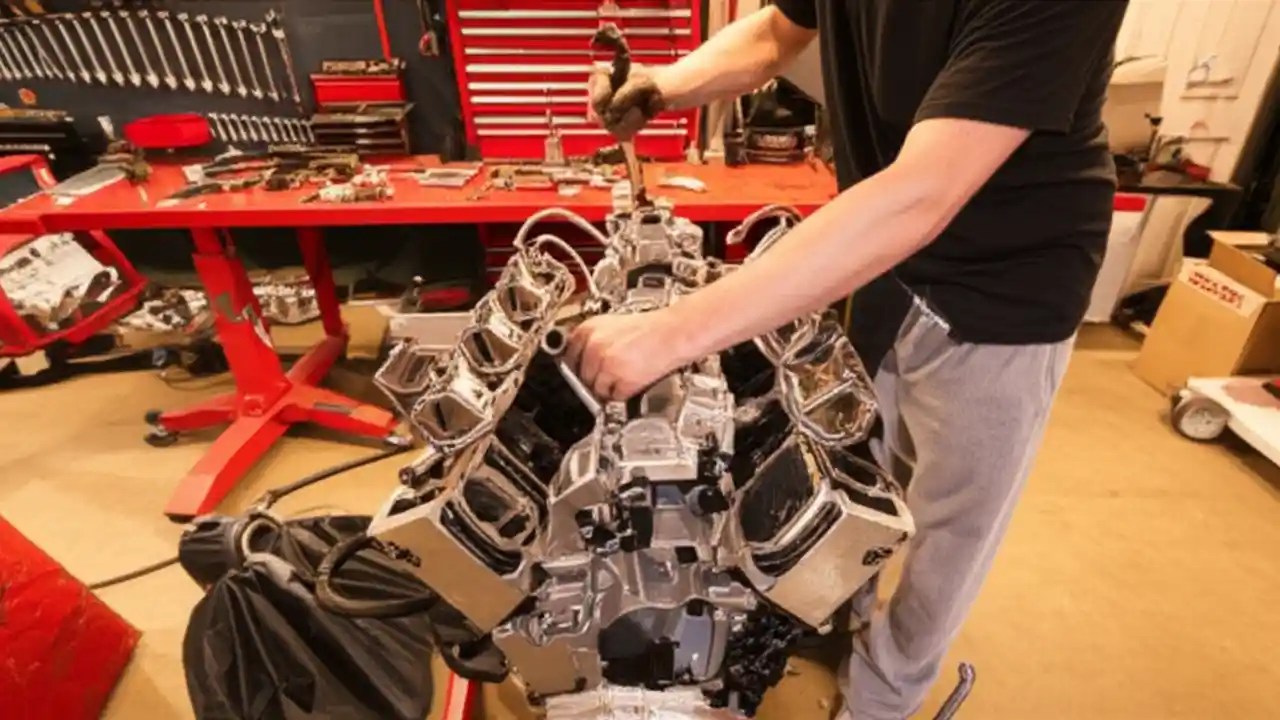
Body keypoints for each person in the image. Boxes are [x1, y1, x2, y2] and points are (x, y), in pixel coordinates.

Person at [567, 1, 1129, 717]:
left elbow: (924, 192)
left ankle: (880, 699)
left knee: (948, 534)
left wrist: (672, 333)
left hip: (1004, 286)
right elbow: (777, 31)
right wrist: (661, 86)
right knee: (851, 465)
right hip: (887, 253)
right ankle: (828, 608)